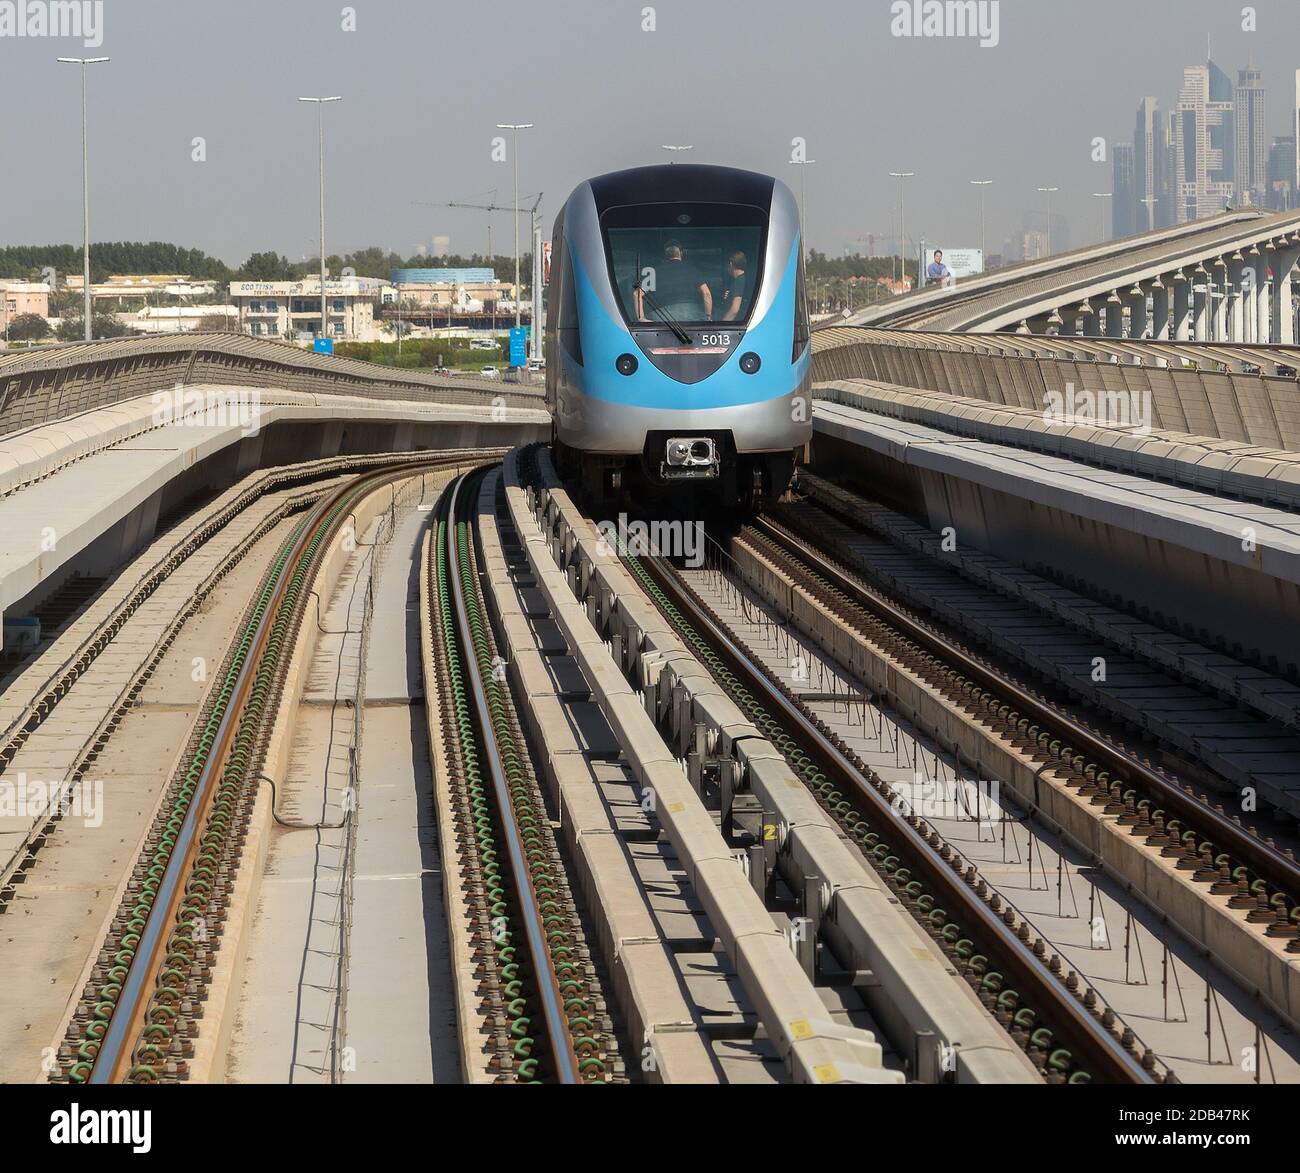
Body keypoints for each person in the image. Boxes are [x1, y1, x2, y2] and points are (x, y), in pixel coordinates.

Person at [635, 240, 712, 321]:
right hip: (692, 315)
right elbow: (707, 294)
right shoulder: (693, 270)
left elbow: (637, 294)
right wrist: (708, 317)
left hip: (663, 318)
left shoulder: (653, 272)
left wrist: (641, 319)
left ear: (665, 255)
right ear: (681, 253)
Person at [719, 251, 749, 322]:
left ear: (731, 264)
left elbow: (735, 309)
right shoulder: (743, 279)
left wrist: (722, 325)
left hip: (737, 321)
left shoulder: (739, 281)